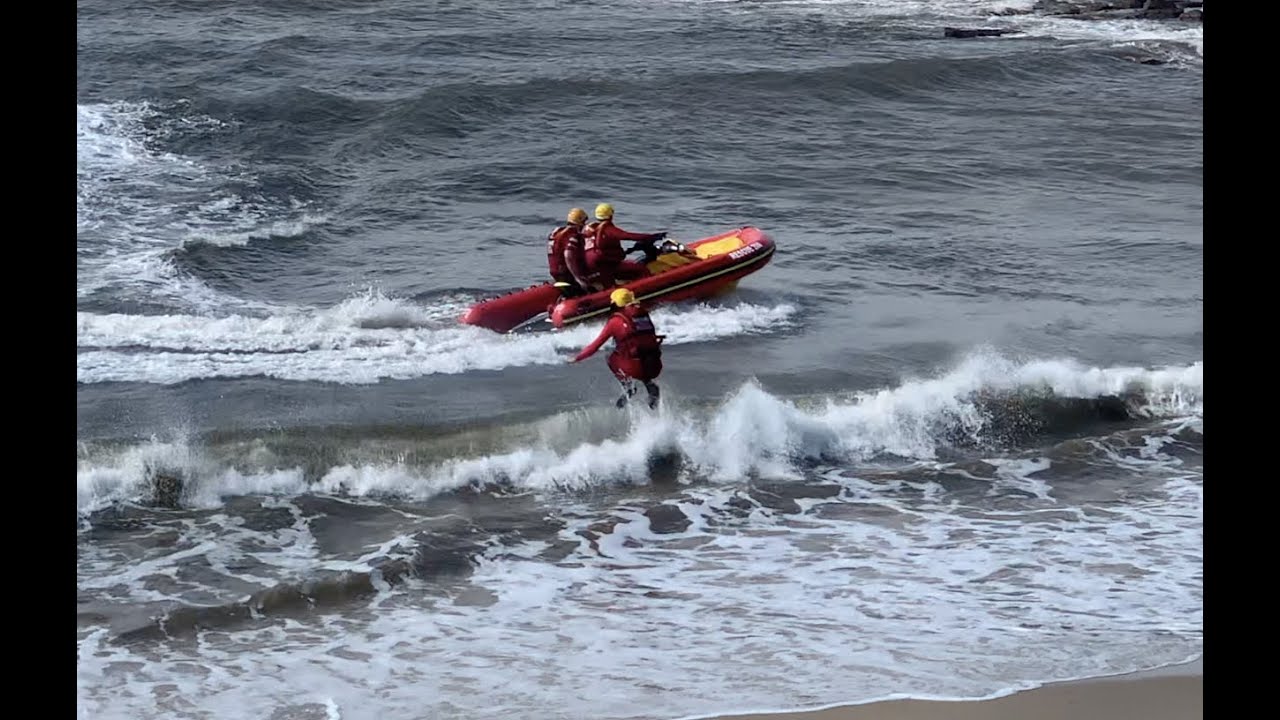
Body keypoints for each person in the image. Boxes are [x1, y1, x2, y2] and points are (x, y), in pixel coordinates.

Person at [568, 287, 664, 409]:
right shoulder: (643, 315)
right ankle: (649, 385)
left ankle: (628, 388)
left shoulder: (615, 322)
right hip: (655, 366)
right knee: (637, 351)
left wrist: (577, 358)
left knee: (610, 356)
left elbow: (595, 346)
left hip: (635, 368)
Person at [583, 203, 667, 289]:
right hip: (606, 265)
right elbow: (629, 236)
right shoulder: (609, 230)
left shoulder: (588, 229)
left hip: (590, 265)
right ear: (611, 215)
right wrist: (652, 236)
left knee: (627, 266)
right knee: (641, 269)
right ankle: (648, 288)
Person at [546, 208, 590, 297]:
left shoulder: (555, 232)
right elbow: (568, 255)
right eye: (584, 222)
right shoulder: (574, 236)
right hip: (567, 274)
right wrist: (578, 278)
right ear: (580, 222)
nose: (584, 225)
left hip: (554, 272)